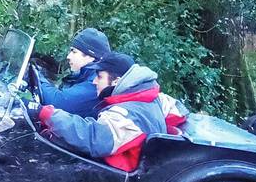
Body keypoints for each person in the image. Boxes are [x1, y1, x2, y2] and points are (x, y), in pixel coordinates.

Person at [37, 52, 188, 172]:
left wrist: (46, 113)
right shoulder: (151, 97)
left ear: (116, 81)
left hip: (115, 180)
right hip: (123, 168)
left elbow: (93, 137)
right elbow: (179, 111)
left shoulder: (128, 114)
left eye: (100, 77)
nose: (95, 82)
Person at [35, 27, 112, 117]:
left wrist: (36, 77)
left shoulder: (96, 82)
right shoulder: (85, 76)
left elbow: (58, 102)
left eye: (74, 52)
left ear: (91, 57)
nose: (68, 56)